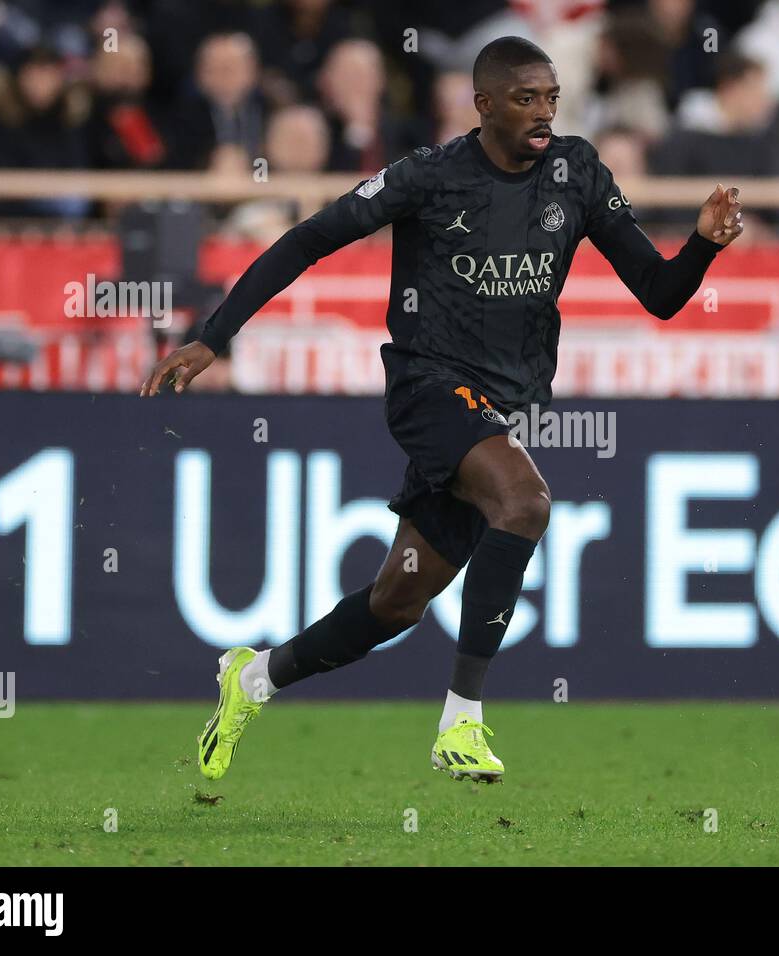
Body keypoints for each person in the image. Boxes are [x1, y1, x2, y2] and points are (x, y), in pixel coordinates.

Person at [139, 36, 743, 783]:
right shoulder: (430, 177)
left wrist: (704, 248)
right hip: (429, 386)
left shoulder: (576, 171)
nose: (544, 113)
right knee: (524, 504)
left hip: (503, 406)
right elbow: (308, 240)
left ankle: (253, 679)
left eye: (552, 97)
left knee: (398, 600)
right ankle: (462, 722)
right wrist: (213, 338)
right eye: (526, 98)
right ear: (483, 105)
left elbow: (659, 293)